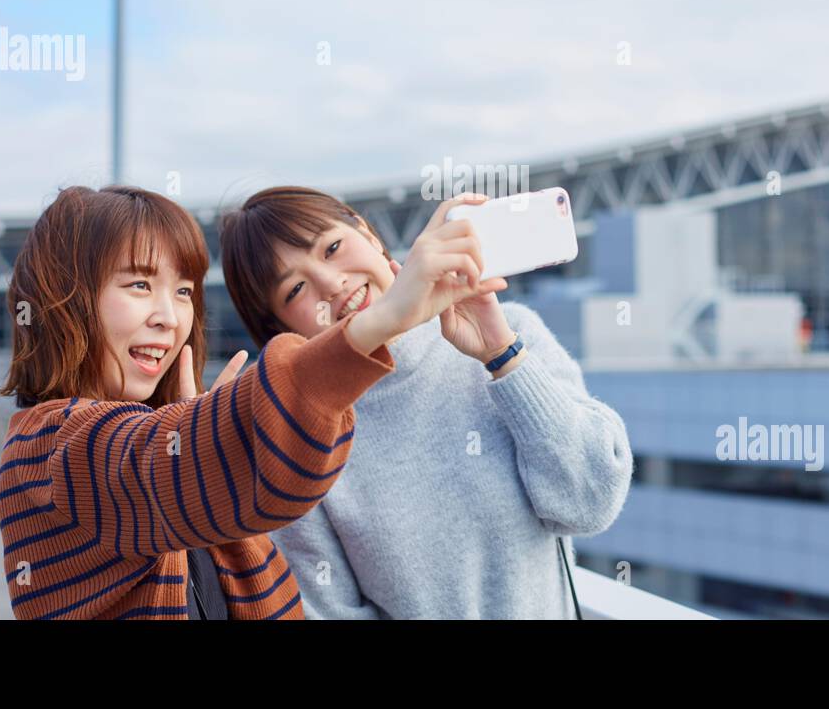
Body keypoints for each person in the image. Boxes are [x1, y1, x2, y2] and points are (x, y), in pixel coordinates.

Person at [0, 184, 499, 619]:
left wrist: (199, 430)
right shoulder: (47, 450)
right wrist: (382, 319)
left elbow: (255, 496)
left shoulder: (159, 450)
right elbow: (139, 465)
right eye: (140, 285)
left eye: (184, 292)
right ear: (67, 300)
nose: (169, 318)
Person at [219, 186, 634, 618]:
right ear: (280, 329)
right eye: (295, 289)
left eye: (333, 247)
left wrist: (503, 356)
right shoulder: (300, 439)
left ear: (368, 233)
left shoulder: (511, 329)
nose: (331, 283)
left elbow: (591, 503)